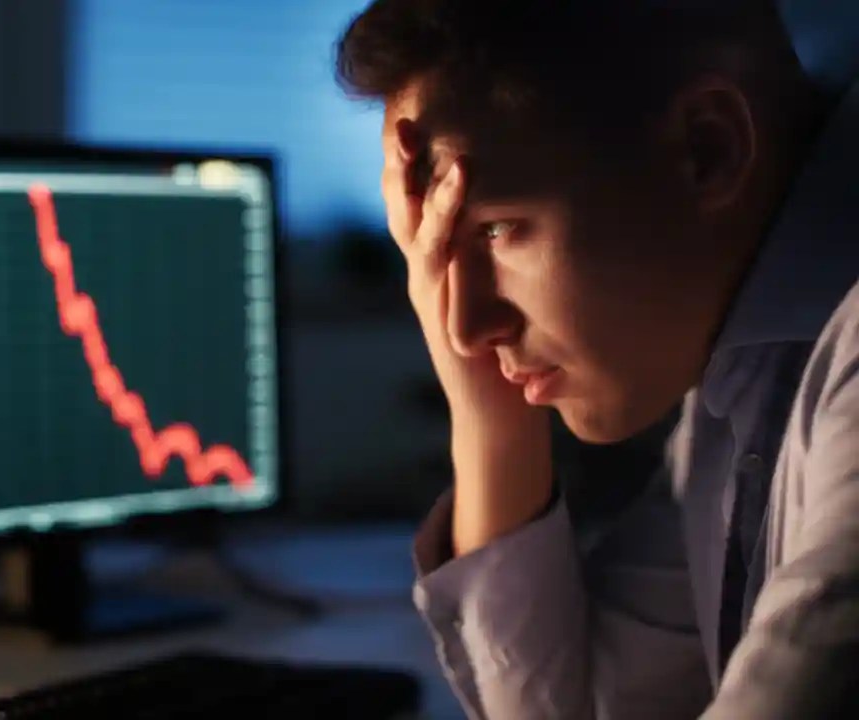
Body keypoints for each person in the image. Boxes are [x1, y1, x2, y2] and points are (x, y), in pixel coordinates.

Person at [334, 1, 859, 717]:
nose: (465, 326)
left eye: (497, 229)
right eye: (435, 253)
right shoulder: (740, 365)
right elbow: (591, 707)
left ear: (707, 150)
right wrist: (489, 413)